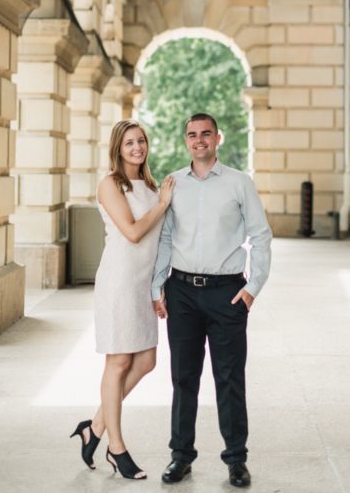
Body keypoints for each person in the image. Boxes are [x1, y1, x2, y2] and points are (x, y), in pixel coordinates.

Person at [151, 112, 273, 489]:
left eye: (206, 134)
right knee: (183, 378)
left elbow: (261, 236)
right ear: (185, 140)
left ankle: (236, 461)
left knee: (229, 379)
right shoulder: (173, 184)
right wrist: (158, 286)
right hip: (182, 292)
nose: (199, 140)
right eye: (192, 134)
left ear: (218, 138)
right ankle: (180, 457)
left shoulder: (239, 183)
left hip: (227, 293)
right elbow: (166, 238)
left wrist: (252, 287)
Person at [71, 120, 175, 480]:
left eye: (141, 140)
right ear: (118, 148)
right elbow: (132, 232)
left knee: (146, 361)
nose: (137, 147)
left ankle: (95, 426)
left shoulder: (148, 184)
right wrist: (163, 204)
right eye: (129, 142)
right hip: (117, 283)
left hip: (142, 285)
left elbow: (158, 243)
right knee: (117, 364)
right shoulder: (110, 184)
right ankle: (117, 449)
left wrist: (157, 288)